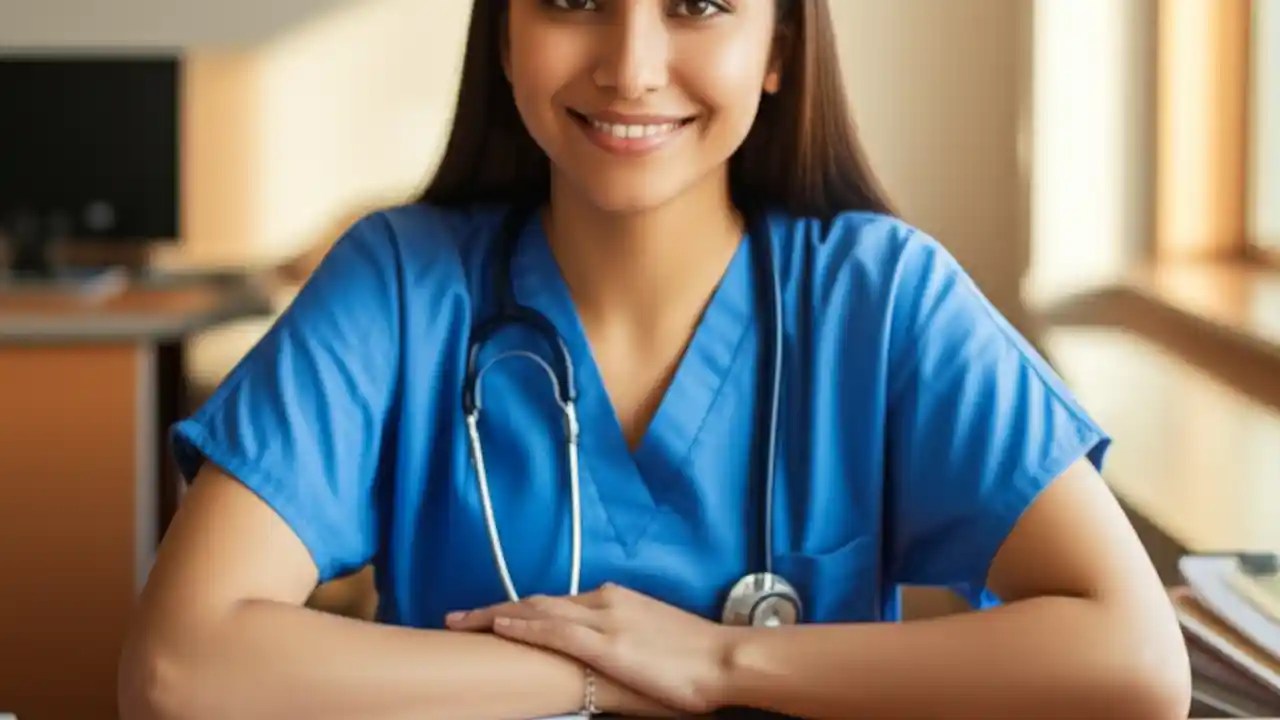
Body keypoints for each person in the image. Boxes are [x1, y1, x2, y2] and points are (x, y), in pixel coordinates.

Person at [118, 1, 1192, 718]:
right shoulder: (396, 286)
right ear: (502, 35)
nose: (629, 67)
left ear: (778, 46)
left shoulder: (881, 298)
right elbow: (176, 666)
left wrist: (719, 660)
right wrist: (586, 672)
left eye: (699, 1)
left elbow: (1134, 660)